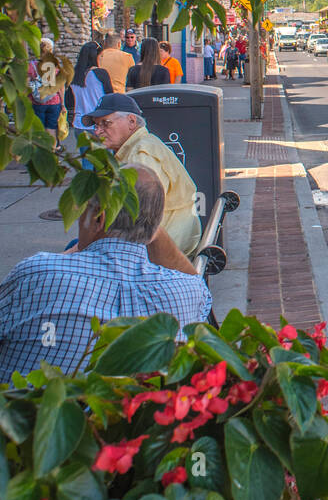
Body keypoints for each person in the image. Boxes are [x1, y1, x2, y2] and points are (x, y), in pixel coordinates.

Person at [0, 166, 211, 382]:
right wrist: (149, 225)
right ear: (155, 228)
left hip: (32, 411)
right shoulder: (189, 291)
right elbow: (195, 280)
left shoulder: (36, 273)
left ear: (99, 219)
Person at [83, 95, 202, 257]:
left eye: (106, 123)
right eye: (96, 125)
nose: (98, 131)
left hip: (163, 246)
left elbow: (140, 219)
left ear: (132, 121)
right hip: (170, 238)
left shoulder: (141, 154)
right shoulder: (139, 145)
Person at [64, 41, 113, 133]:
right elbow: (110, 97)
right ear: (96, 57)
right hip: (99, 123)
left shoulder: (73, 76)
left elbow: (69, 101)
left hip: (79, 123)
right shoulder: (101, 74)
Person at [28, 37, 65, 142]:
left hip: (37, 101)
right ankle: (52, 153)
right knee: (52, 129)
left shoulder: (31, 65)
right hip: (54, 101)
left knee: (39, 130)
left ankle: (39, 153)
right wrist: (63, 104)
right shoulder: (56, 65)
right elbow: (61, 86)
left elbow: (26, 85)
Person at [97, 30, 133, 95]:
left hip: (102, 95)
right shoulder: (127, 56)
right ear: (119, 44)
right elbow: (132, 78)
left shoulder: (99, 57)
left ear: (105, 43)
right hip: (121, 94)